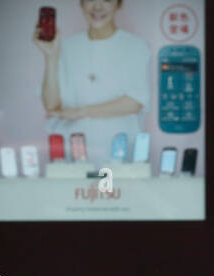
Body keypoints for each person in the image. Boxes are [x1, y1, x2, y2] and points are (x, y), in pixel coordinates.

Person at [35, 0, 150, 164]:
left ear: (119, 5)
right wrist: (50, 56)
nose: (97, 7)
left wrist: (80, 112)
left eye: (106, 0)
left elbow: (134, 102)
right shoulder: (66, 46)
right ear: (81, 4)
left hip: (120, 152)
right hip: (70, 153)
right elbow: (52, 105)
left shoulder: (135, 46)